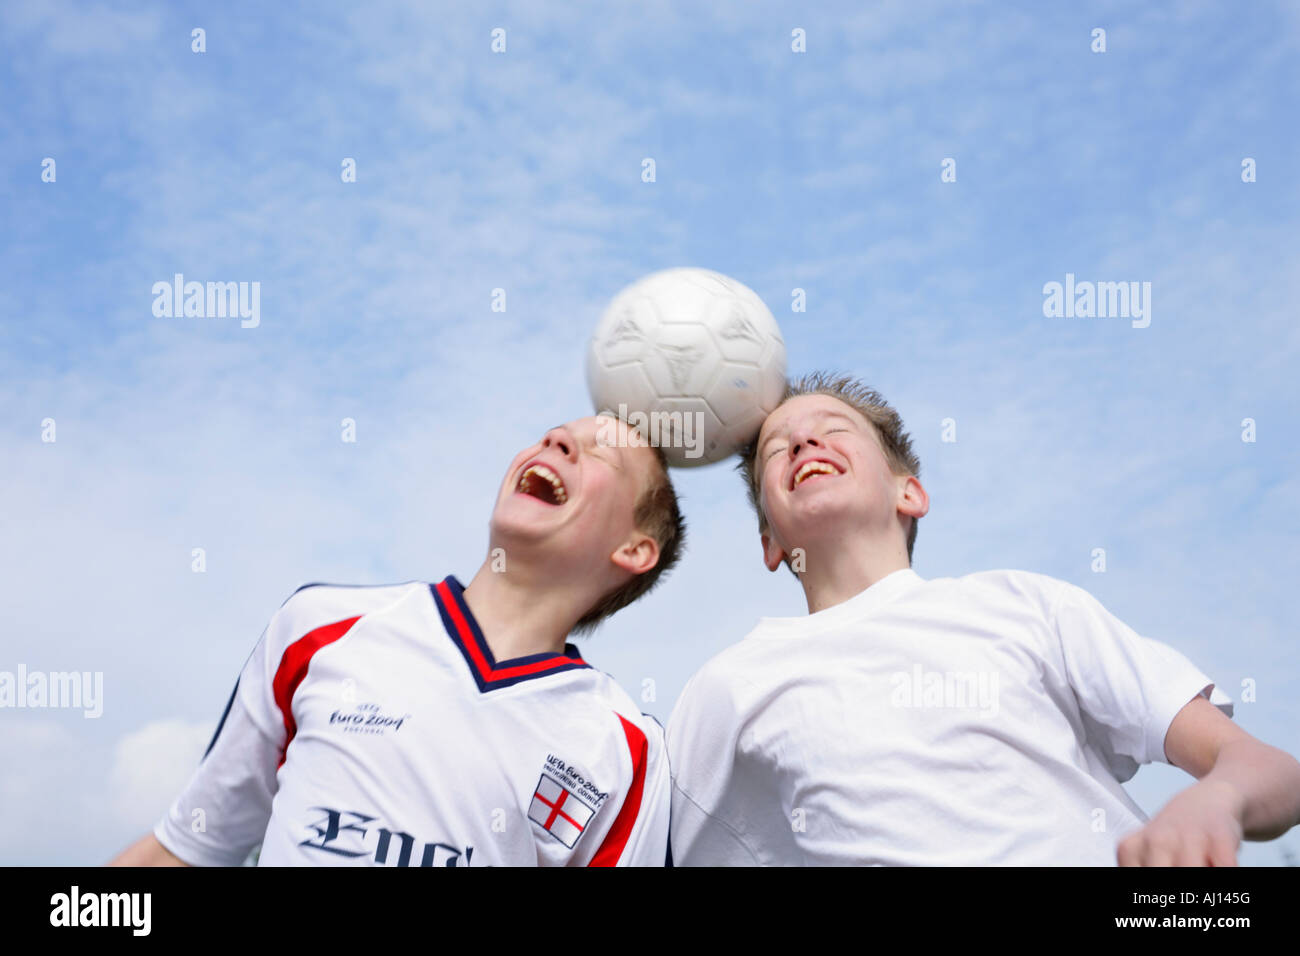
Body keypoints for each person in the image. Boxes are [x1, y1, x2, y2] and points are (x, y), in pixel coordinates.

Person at [667, 371, 1300, 866]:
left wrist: (1215, 799)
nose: (804, 441)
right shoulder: (729, 687)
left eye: (833, 429)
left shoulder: (1021, 605)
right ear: (770, 542)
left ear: (907, 492)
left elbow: (1271, 770)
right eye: (777, 448)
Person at [110, 414, 684, 867]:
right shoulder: (321, 629)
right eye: (553, 433)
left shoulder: (624, 749)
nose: (558, 440)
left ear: (634, 550)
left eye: (601, 450)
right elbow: (185, 850)